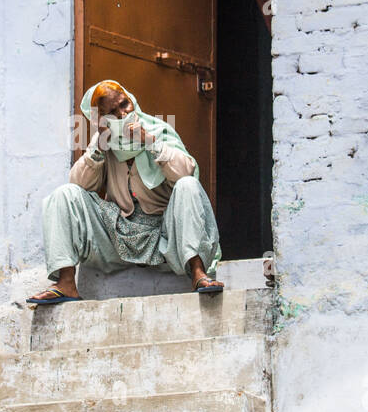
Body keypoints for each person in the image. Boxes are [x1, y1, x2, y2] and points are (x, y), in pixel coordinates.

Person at [26, 79, 224, 305]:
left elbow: (185, 171)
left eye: (124, 104)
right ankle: (66, 283)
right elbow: (79, 183)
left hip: (165, 233)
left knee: (187, 186)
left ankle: (198, 272)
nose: (121, 115)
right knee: (64, 195)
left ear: (132, 100)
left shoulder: (157, 130)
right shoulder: (103, 142)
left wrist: (149, 141)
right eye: (111, 113)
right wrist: (100, 146)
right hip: (119, 233)